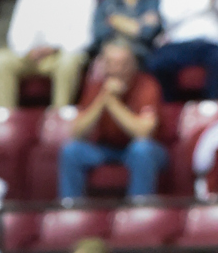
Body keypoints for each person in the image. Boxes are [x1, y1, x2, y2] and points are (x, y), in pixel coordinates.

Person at [58, 38, 168, 199]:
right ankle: (71, 211)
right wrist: (103, 99)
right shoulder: (96, 86)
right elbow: (77, 131)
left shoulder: (147, 85)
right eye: (110, 63)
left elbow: (143, 133)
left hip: (143, 149)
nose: (116, 69)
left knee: (142, 150)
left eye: (122, 64)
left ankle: (137, 209)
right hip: (105, 149)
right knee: (71, 151)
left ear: (133, 64)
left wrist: (113, 102)